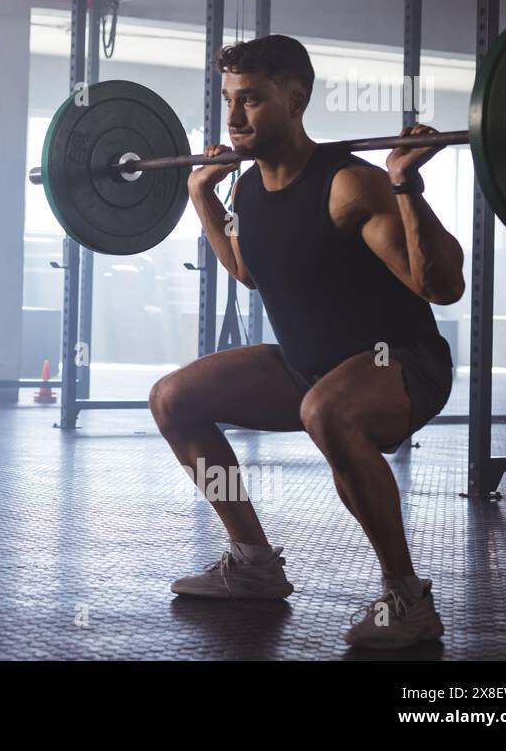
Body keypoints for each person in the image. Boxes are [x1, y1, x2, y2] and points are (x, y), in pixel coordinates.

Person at [150, 35, 464, 650]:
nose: (235, 119)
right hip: (307, 368)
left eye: (252, 102)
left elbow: (441, 286)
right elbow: (246, 266)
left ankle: (407, 596)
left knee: (327, 410)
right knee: (173, 399)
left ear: (296, 101)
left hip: (401, 365)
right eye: (229, 101)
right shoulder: (248, 189)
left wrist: (404, 184)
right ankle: (254, 563)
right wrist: (202, 195)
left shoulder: (348, 184)